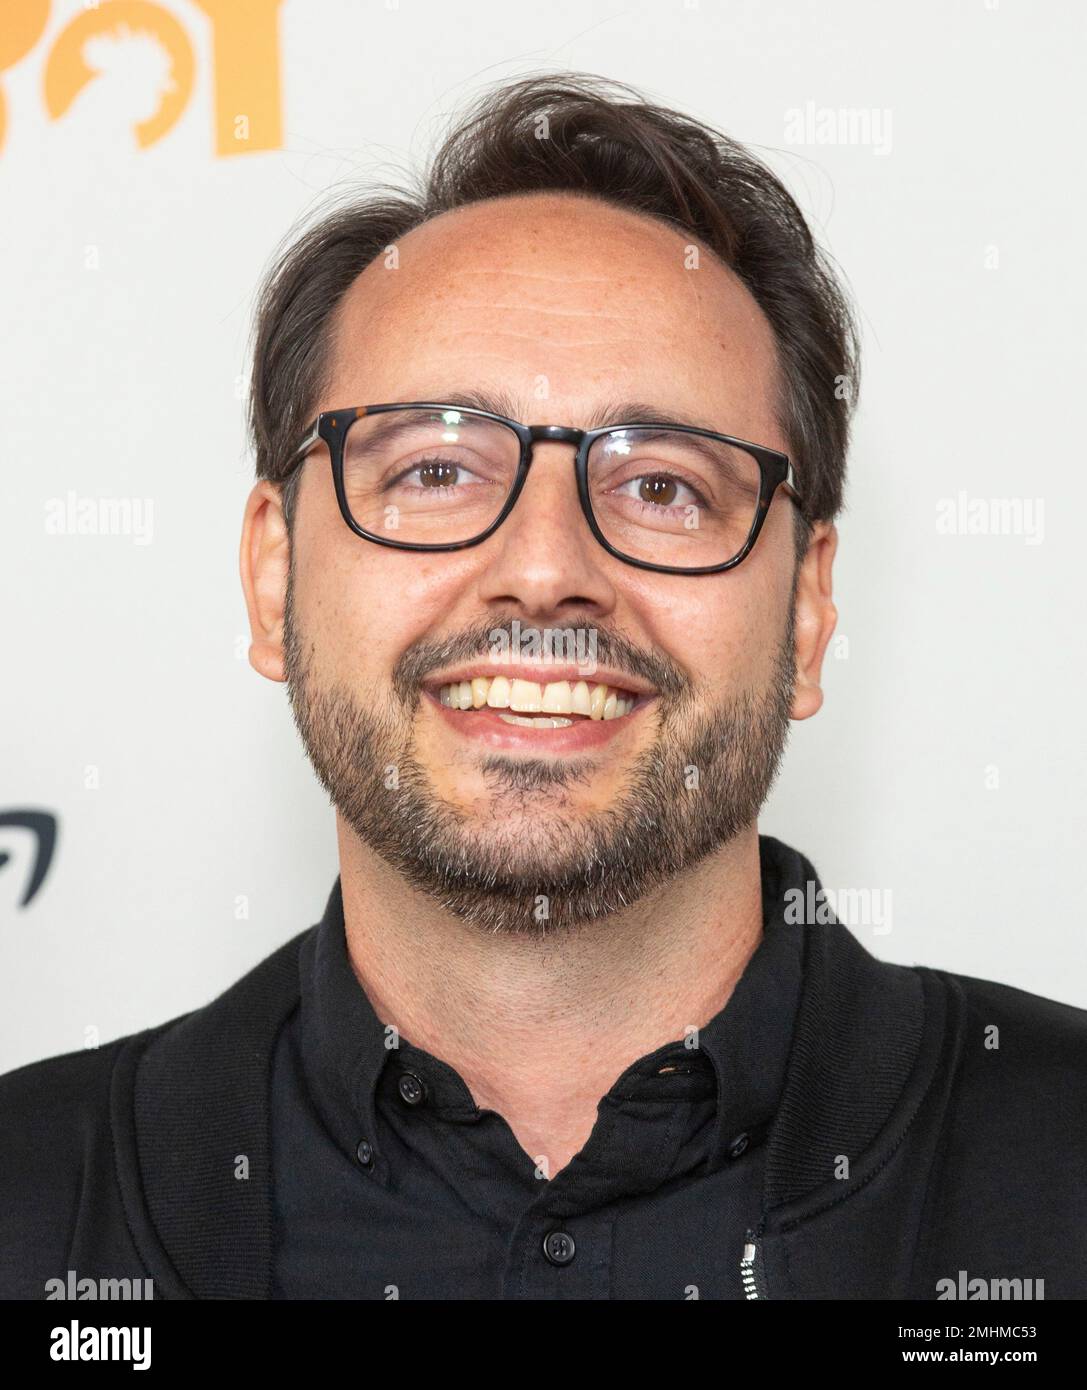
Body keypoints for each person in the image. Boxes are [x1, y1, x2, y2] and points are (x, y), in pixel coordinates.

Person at [2, 73, 1084, 1301]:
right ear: (272, 576)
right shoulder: (30, 1209)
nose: (544, 570)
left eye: (663, 486)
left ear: (807, 606)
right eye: (438, 468)